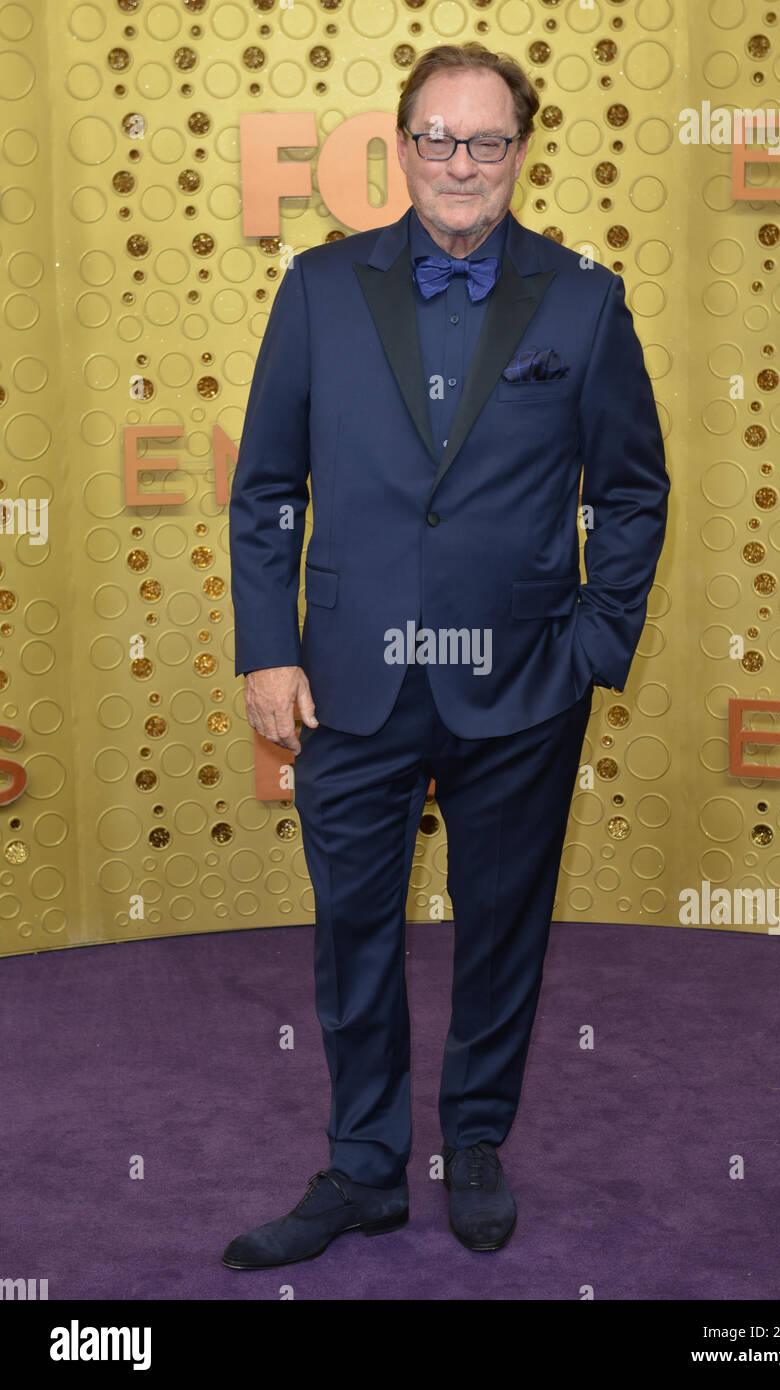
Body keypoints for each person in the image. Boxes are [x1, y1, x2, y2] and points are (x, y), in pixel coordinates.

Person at [223, 40, 669, 1269]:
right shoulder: (318, 287)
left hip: (524, 686)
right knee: (352, 929)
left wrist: (591, 643)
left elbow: (632, 493)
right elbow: (265, 489)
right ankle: (363, 1169)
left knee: (504, 928)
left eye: (486, 141)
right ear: (402, 146)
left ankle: (473, 1144)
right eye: (437, 138)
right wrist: (270, 649)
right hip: (349, 685)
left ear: (519, 152)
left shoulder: (583, 299)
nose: (459, 163)